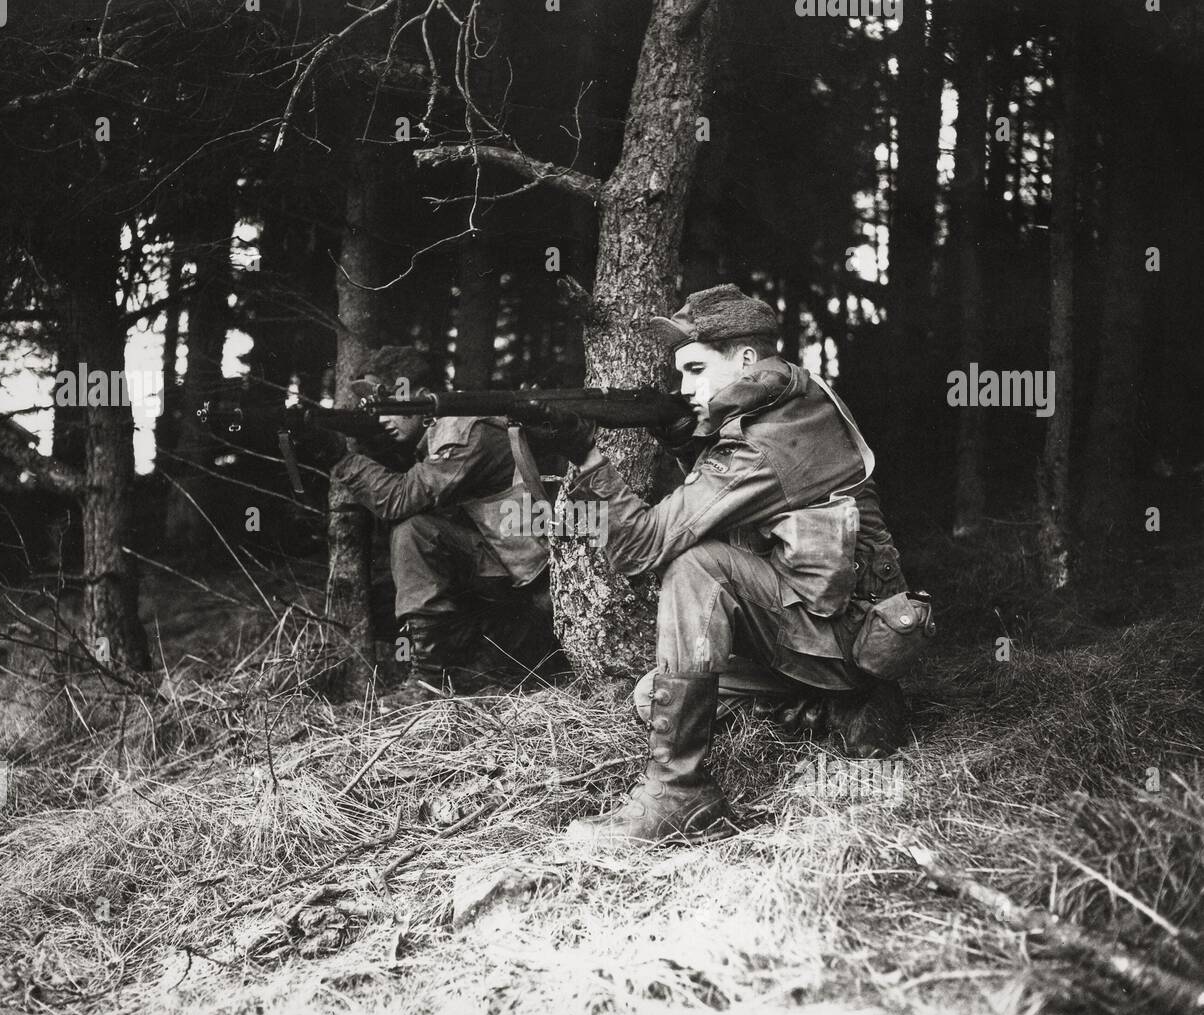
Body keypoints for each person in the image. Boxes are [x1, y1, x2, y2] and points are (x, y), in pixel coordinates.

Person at [534, 285, 917, 845]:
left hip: (844, 643)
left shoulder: (762, 446)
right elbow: (749, 499)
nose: (683, 388)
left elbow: (642, 547)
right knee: (651, 697)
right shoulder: (795, 399)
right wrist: (682, 440)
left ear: (744, 361)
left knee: (697, 566)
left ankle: (679, 794)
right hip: (828, 625)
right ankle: (839, 707)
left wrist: (586, 457)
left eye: (694, 369)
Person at [322, 346, 552, 708]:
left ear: (421, 395)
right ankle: (475, 666)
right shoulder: (441, 429)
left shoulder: (462, 431)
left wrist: (342, 460)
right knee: (384, 602)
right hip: (507, 573)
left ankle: (429, 682)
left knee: (414, 531)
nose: (383, 420)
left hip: (536, 588)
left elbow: (399, 499)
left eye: (391, 407)